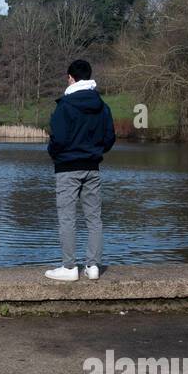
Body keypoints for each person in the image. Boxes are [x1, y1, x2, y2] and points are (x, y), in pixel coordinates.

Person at [44, 59, 115, 281]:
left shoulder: (65, 106)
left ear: (70, 78)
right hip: (92, 167)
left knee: (67, 218)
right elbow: (109, 138)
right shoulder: (102, 106)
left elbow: (58, 139)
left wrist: (55, 153)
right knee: (94, 218)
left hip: (67, 168)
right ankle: (93, 267)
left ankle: (69, 267)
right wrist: (95, 151)